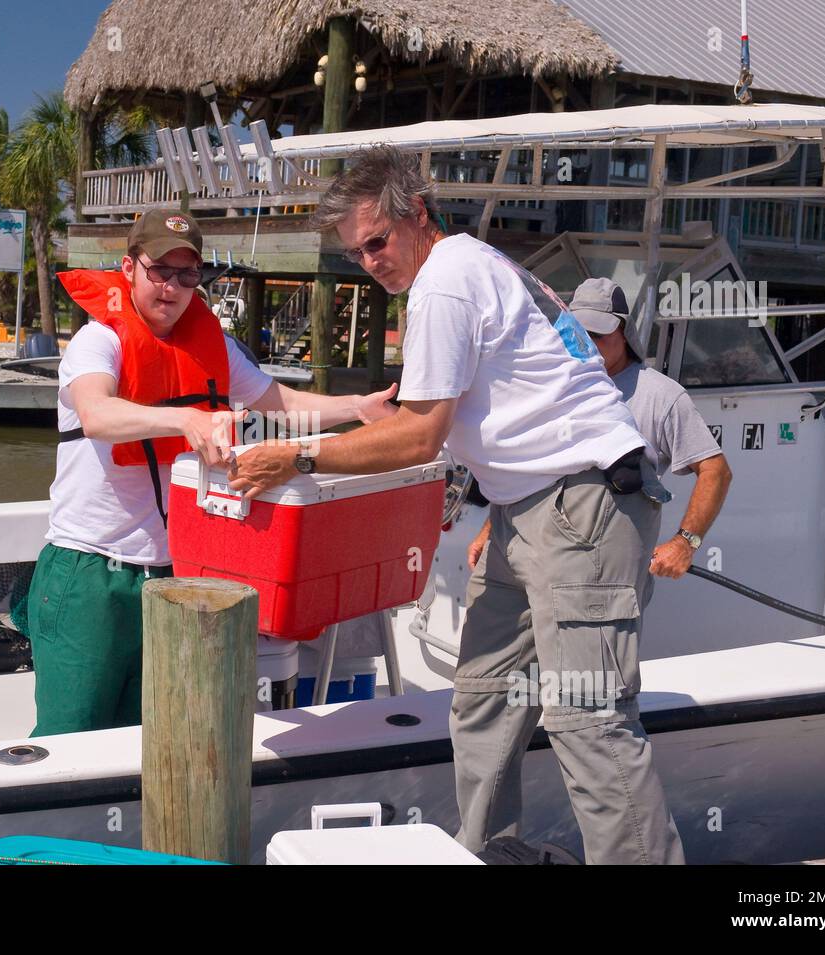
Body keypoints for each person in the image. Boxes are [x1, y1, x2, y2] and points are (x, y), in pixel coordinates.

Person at [229, 146, 685, 864]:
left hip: (582, 503)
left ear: (418, 214)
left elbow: (420, 437)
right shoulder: (472, 262)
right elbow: (437, 419)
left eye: (377, 241)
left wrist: (296, 453)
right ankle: (487, 856)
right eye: (356, 253)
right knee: (483, 701)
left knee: (588, 722)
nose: (371, 261)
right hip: (527, 509)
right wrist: (372, 420)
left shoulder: (442, 282)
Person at [17, 208, 397, 737]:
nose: (171, 287)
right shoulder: (97, 341)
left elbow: (278, 403)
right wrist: (184, 419)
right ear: (129, 268)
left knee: (154, 736)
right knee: (72, 736)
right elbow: (98, 415)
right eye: (159, 270)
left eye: (186, 275)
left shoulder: (211, 344)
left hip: (174, 575)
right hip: (88, 572)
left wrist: (358, 408)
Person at [468, 278, 733, 586]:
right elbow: (532, 470)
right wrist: (490, 531)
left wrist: (686, 543)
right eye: (579, 332)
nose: (587, 342)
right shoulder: (554, 383)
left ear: (624, 332)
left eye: (598, 333)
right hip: (533, 557)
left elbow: (716, 470)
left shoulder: (661, 394)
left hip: (604, 572)